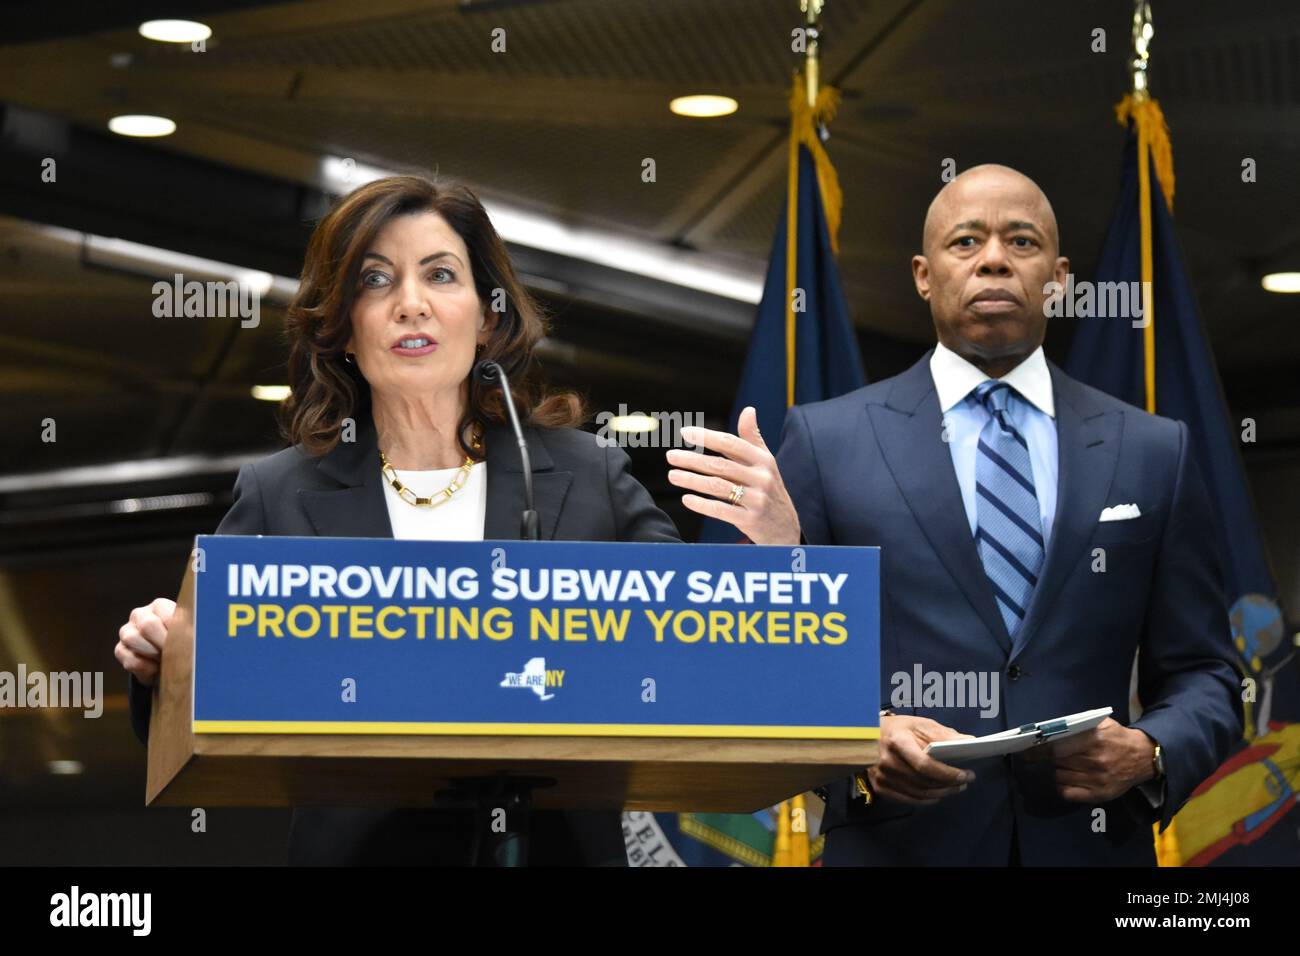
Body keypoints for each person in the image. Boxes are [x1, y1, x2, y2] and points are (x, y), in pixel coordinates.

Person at [664, 164, 1243, 865]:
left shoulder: (1154, 449)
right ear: (922, 274)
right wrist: (862, 731)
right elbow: (773, 653)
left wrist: (1152, 748)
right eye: (966, 242)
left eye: (1021, 242)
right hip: (898, 846)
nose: (994, 258)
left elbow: (1206, 671)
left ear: (1058, 277)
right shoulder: (827, 441)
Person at [114, 175, 680, 865]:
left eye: (441, 275)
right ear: (344, 327)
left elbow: (687, 652)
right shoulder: (279, 493)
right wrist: (162, 662)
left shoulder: (590, 475)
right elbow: (205, 705)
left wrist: (776, 545)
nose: (411, 304)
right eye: (376, 281)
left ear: (487, 316)